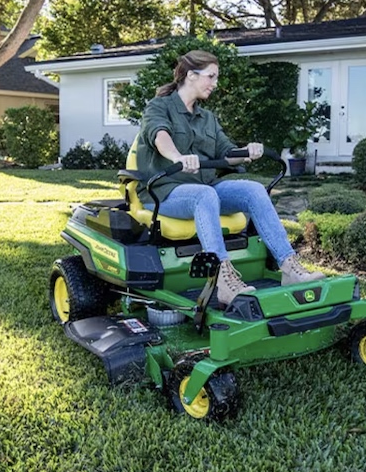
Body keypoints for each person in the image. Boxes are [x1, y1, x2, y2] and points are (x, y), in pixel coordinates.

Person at [136, 49, 325, 306]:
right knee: (205, 195)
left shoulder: (207, 118)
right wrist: (177, 157)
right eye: (211, 77)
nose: (215, 84)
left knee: (253, 190)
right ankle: (222, 280)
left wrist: (247, 151)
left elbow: (226, 153)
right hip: (165, 191)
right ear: (191, 75)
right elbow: (159, 135)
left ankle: (290, 267)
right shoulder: (159, 106)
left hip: (205, 189)